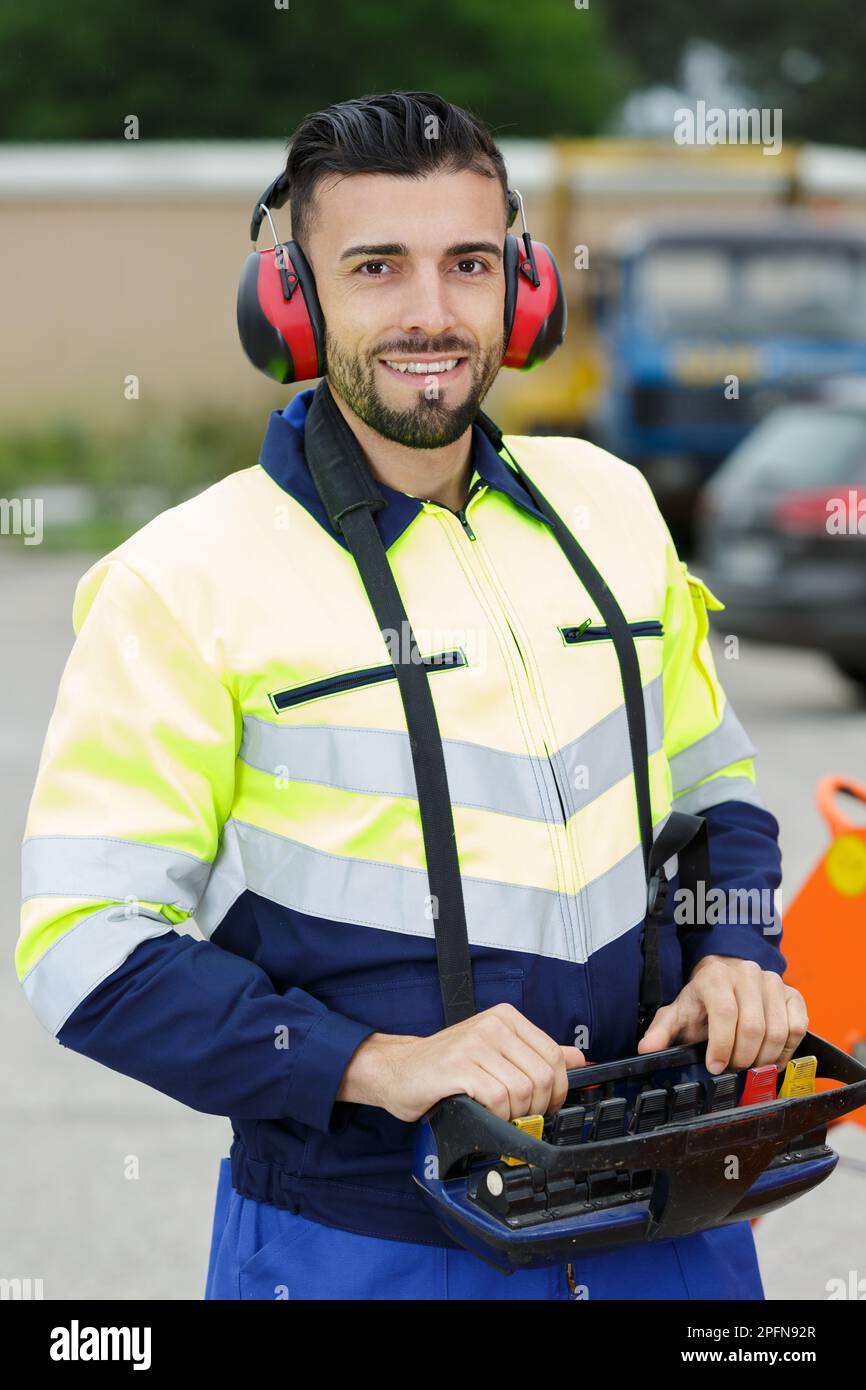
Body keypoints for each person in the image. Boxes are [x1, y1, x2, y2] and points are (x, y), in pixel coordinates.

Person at [16, 91, 806, 1302]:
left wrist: (734, 950)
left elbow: (715, 786)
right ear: (294, 297)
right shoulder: (182, 579)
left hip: (669, 1220)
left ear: (522, 287)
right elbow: (83, 948)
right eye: (376, 267)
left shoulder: (608, 504)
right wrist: (374, 1061)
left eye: (468, 264)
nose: (430, 314)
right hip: (370, 1246)